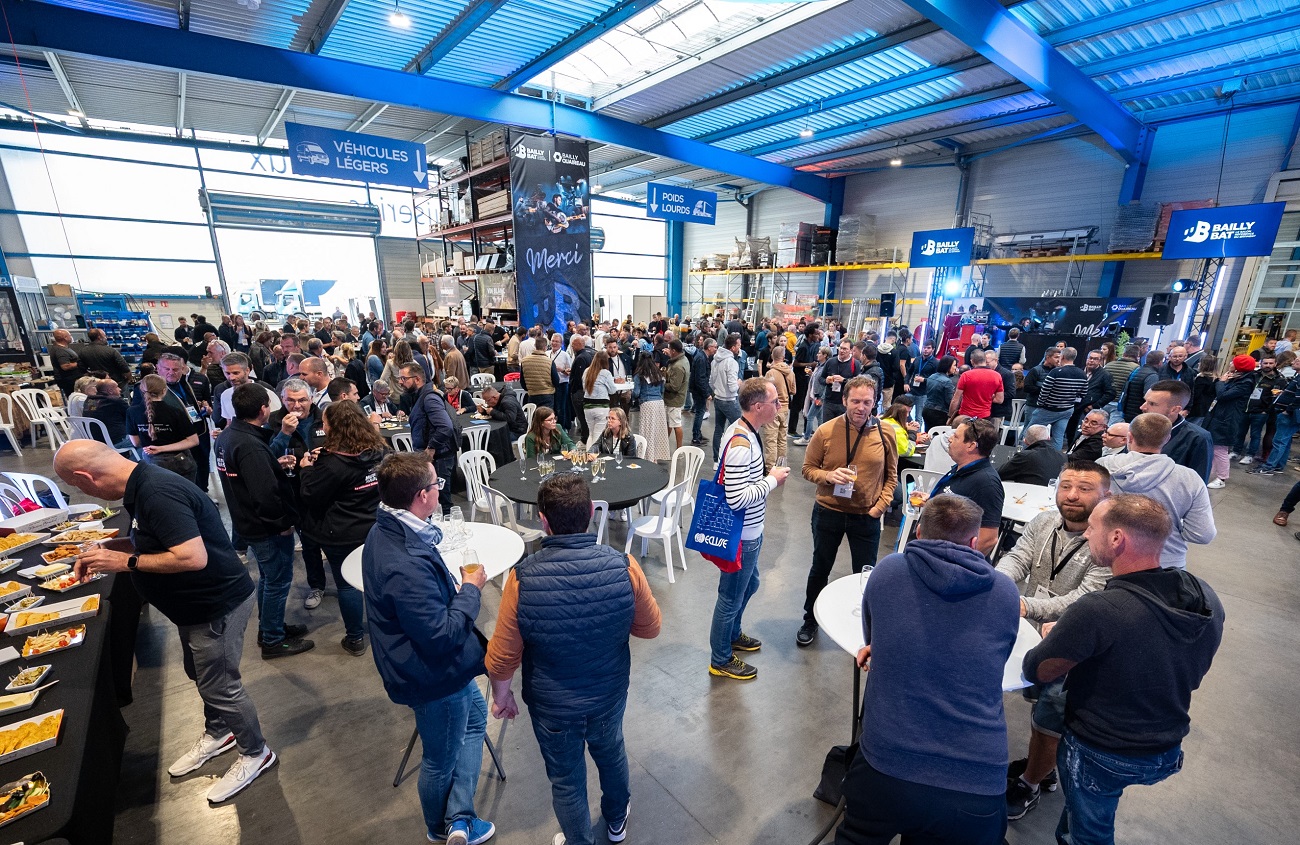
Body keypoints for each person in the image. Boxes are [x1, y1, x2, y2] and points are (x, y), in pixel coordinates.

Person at [54, 440, 276, 804]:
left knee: (220, 686)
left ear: (84, 476)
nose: (84, 492)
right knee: (200, 675)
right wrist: (117, 549)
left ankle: (256, 753)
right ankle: (220, 731)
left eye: (78, 486)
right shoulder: (139, 485)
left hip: (214, 605)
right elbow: (153, 539)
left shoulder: (157, 491)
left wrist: (124, 563)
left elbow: (192, 558)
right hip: (189, 608)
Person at [1022, 494, 1224, 845]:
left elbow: (1038, 670)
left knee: (1088, 834)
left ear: (1117, 539)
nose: (1085, 535)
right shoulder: (1204, 595)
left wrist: (1066, 635)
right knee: (1078, 818)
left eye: (1093, 528)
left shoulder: (1097, 610)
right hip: (1166, 745)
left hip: (1101, 751)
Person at [485, 472, 661, 845]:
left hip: (553, 706)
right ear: (591, 516)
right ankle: (616, 823)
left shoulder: (522, 578)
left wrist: (502, 697)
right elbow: (650, 627)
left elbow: (501, 659)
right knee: (611, 755)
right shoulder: (624, 566)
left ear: (544, 521)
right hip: (608, 694)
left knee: (566, 780)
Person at [835, 494, 1019, 845]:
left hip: (886, 767)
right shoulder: (1005, 592)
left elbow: (873, 637)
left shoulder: (888, 570)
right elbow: (999, 658)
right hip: (976, 782)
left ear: (918, 532)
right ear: (974, 542)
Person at [362, 453, 495, 845]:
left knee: (474, 718)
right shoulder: (404, 564)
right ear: (423, 495)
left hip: (423, 664)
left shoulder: (390, 528)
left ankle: (459, 817)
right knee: (438, 759)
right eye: (437, 483)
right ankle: (440, 828)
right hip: (431, 675)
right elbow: (441, 637)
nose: (441, 488)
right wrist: (470, 591)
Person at [996, 461, 1113, 821]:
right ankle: (1043, 770)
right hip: (1034, 634)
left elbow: (1084, 597)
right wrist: (997, 584)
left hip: (1074, 645)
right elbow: (1018, 558)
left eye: (1084, 488)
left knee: (1050, 716)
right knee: (1038, 706)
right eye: (1066, 486)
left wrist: (1022, 604)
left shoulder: (1108, 541)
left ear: (1106, 495)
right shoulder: (1043, 522)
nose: (1072, 495)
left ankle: (1030, 785)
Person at [796, 376, 897, 647]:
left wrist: (879, 507)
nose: (861, 407)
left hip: (866, 516)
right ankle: (810, 619)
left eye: (867, 401)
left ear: (875, 402)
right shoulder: (826, 431)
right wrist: (828, 476)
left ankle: (864, 625)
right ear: (844, 401)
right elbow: (807, 469)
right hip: (828, 512)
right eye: (855, 401)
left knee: (864, 575)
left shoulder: (885, 432)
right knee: (820, 567)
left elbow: (892, 476)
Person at [215, 384, 314, 658]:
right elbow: (265, 494)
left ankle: (270, 628)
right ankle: (273, 640)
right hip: (266, 527)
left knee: (269, 580)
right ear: (263, 409)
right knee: (279, 580)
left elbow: (250, 478)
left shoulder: (227, 437)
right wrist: (282, 523)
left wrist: (273, 465)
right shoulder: (249, 446)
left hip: (248, 522)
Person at [708, 378, 791, 680]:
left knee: (751, 584)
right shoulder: (742, 444)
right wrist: (772, 481)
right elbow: (736, 499)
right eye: (774, 402)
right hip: (741, 536)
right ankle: (720, 658)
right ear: (758, 407)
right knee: (729, 597)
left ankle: (732, 633)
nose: (778, 406)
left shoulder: (745, 430)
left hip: (750, 532)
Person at [298, 401, 388, 656]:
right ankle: (384, 630)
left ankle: (355, 638)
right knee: (376, 581)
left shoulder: (332, 463)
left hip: (341, 533)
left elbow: (310, 495)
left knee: (347, 585)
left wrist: (306, 469)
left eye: (325, 422)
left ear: (334, 427)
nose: (322, 426)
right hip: (375, 526)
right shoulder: (380, 450)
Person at [1099, 413, 1216, 568]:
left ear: (1129, 437)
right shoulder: (1189, 478)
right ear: (1167, 439)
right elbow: (1203, 534)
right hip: (1167, 564)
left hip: (1110, 559)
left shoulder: (1102, 467)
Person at [927, 418, 1004, 557]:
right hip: (932, 553)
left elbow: (989, 539)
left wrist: (954, 564)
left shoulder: (987, 483)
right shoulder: (961, 469)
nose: (950, 439)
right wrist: (931, 501)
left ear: (971, 446)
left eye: (956, 436)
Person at [153, 353, 214, 493]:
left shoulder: (185, 384)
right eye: (167, 369)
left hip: (199, 431)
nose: (171, 373)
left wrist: (204, 407)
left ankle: (202, 492)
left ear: (183, 368)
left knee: (202, 463)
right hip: (175, 440)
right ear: (158, 368)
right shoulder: (149, 388)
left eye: (175, 370)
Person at [402, 363, 458, 516]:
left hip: (439, 458)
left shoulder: (429, 398)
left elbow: (445, 427)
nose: (401, 382)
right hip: (436, 457)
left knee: (442, 501)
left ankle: (449, 534)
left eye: (404, 378)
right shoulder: (420, 396)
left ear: (417, 379)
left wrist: (431, 448)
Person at [127, 374, 200, 483]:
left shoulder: (132, 412)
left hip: (151, 463)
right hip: (179, 461)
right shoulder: (175, 411)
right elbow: (193, 441)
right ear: (164, 390)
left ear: (141, 390)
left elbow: (136, 442)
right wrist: (162, 448)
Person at [1140, 379, 1213, 482]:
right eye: (1145, 401)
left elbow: (1197, 484)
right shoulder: (1139, 427)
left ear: (1175, 410)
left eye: (1152, 404)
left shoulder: (1197, 438)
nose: (1142, 407)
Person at [1203, 355, 1257, 488]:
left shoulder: (1245, 383)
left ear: (1240, 366)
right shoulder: (1236, 378)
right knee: (1215, 448)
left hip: (1227, 420)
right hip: (1220, 417)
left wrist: (1221, 382)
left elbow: (1223, 396)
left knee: (1220, 449)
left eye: (1234, 362)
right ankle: (1209, 474)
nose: (1230, 363)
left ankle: (1221, 478)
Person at [1028, 347, 1089, 449]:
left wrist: (1040, 404)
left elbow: (1045, 391)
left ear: (1063, 357)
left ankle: (1020, 454)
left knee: (1030, 433)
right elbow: (1082, 394)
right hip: (1067, 410)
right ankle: (1055, 460)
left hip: (1048, 409)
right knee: (1058, 437)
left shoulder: (1056, 372)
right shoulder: (1082, 374)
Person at [1236, 354, 1282, 465]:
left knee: (1255, 434)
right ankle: (1236, 451)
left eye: (1271, 363)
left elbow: (1276, 399)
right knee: (1240, 432)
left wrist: (1266, 410)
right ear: (1261, 364)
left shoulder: (1278, 380)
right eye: (1265, 363)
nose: (1268, 365)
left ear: (1275, 364)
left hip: (1261, 412)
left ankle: (1250, 455)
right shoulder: (1253, 375)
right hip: (1246, 408)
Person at [709, 334, 743, 463]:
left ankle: (716, 460)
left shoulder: (715, 360)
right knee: (739, 429)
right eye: (739, 345)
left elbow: (711, 382)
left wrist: (718, 390)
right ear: (733, 347)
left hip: (717, 399)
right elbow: (733, 387)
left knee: (719, 429)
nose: (740, 347)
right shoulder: (731, 363)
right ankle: (735, 459)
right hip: (729, 401)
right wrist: (739, 383)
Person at [999, 424, 1067, 486]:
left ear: (1025, 441)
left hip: (1027, 495)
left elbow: (1000, 473)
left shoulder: (1025, 456)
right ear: (1048, 438)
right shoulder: (1064, 457)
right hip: (1052, 496)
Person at [762, 346, 795, 472]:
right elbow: (793, 390)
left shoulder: (771, 373)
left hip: (773, 409)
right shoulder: (790, 372)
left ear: (772, 357)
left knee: (771, 439)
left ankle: (770, 468)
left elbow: (765, 391)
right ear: (783, 357)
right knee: (782, 439)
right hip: (785, 408)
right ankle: (781, 466)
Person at [951, 348, 1005, 421]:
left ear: (972, 361)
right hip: (984, 417)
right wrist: (988, 396)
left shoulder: (966, 375)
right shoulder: (997, 376)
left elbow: (956, 399)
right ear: (985, 360)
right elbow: (999, 400)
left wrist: (950, 416)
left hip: (965, 416)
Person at [83, 378, 134, 451]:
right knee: (147, 438)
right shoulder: (115, 401)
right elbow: (133, 418)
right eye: (117, 387)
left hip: (96, 442)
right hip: (115, 442)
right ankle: (134, 461)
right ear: (110, 391)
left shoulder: (90, 401)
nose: (120, 389)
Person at [581, 350, 617, 449]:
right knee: (598, 435)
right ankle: (594, 458)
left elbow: (584, 388)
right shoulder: (606, 373)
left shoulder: (586, 371)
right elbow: (612, 390)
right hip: (601, 407)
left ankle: (588, 456)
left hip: (587, 406)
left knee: (591, 433)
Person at [1117, 349, 1164, 423]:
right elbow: (1149, 397)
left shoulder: (1137, 370)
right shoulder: (1152, 376)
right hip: (1139, 413)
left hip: (1128, 411)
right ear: (1160, 362)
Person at [663, 339, 691, 452]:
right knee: (669, 423)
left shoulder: (677, 366)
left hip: (674, 399)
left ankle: (679, 449)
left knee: (676, 424)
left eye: (669, 349)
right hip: (674, 399)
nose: (668, 351)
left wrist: (662, 383)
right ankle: (664, 445)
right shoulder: (683, 360)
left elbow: (674, 386)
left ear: (673, 351)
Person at [921, 356, 958, 430]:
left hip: (926, 409)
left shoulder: (932, 376)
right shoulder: (947, 382)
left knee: (928, 434)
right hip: (939, 413)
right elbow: (949, 401)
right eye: (954, 365)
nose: (956, 368)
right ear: (948, 366)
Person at [48, 328, 82, 396]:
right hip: (69, 381)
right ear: (65, 337)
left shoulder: (62, 348)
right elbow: (65, 366)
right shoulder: (60, 350)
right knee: (75, 398)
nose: (71, 337)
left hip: (71, 379)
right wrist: (80, 363)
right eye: (69, 335)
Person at [522, 341, 555, 409]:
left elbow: (522, 381)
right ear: (545, 347)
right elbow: (556, 380)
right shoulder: (549, 361)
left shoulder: (524, 361)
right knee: (546, 417)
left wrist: (529, 388)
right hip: (547, 394)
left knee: (534, 417)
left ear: (535, 346)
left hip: (532, 394)